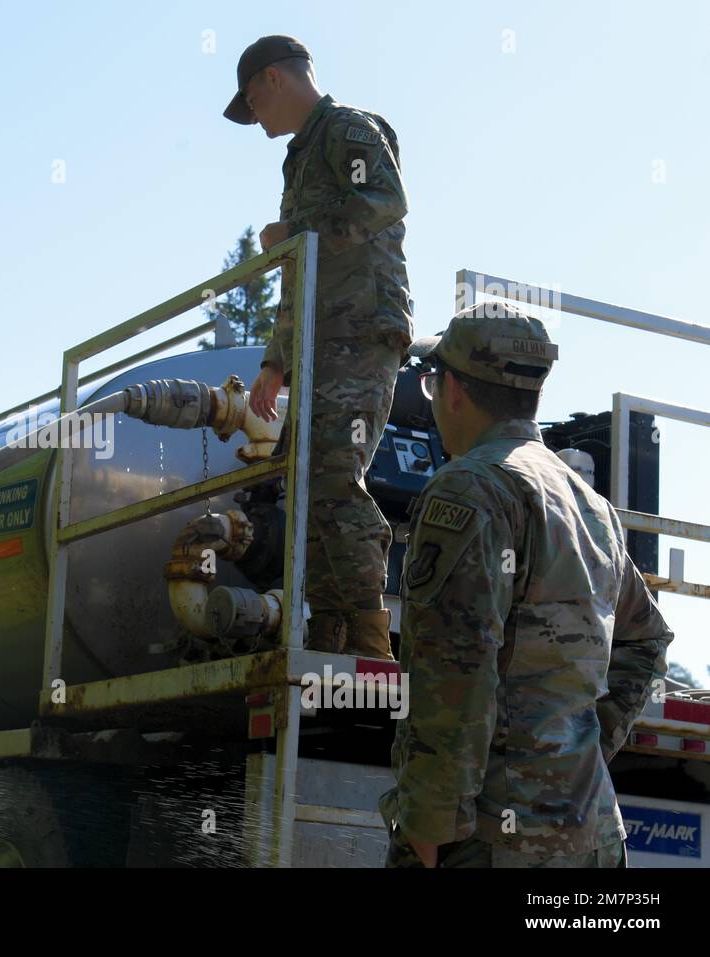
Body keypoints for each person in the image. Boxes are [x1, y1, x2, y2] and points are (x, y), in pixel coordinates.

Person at [380, 302, 674, 868]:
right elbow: (646, 640)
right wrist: (573, 758)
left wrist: (432, 822)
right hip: (589, 836)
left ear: (454, 391)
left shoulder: (471, 487)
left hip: (489, 841)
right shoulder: (591, 505)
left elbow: (455, 665)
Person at [227, 35, 413, 659]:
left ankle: (368, 629)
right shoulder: (301, 159)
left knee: (335, 477)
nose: (255, 119)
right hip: (317, 341)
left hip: (360, 331)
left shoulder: (346, 131)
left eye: (252, 101)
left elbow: (385, 201)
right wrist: (274, 364)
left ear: (274, 81)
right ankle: (332, 628)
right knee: (306, 486)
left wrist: (295, 229)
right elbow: (296, 273)